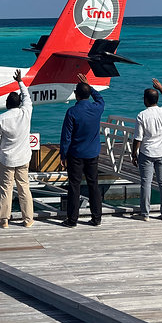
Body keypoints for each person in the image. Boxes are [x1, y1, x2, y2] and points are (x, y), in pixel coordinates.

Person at [0, 69, 34, 228]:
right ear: (19, 103)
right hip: (23, 158)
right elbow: (27, 97)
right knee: (24, 189)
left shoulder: (0, 119)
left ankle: (4, 220)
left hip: (6, 159)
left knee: (5, 190)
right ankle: (28, 220)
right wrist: (20, 81)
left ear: (7, 104)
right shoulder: (26, 112)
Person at [60, 73, 105, 227]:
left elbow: (66, 137)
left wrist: (63, 154)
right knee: (93, 184)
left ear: (76, 95)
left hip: (76, 154)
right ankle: (96, 217)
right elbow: (100, 99)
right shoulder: (97, 108)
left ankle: (72, 220)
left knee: (74, 186)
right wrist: (89, 86)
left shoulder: (72, 112)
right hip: (92, 153)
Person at [131, 79, 162, 221]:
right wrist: (161, 88)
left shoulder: (142, 115)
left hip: (147, 152)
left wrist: (134, 154)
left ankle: (145, 214)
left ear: (145, 100)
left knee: (146, 183)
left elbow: (138, 138)